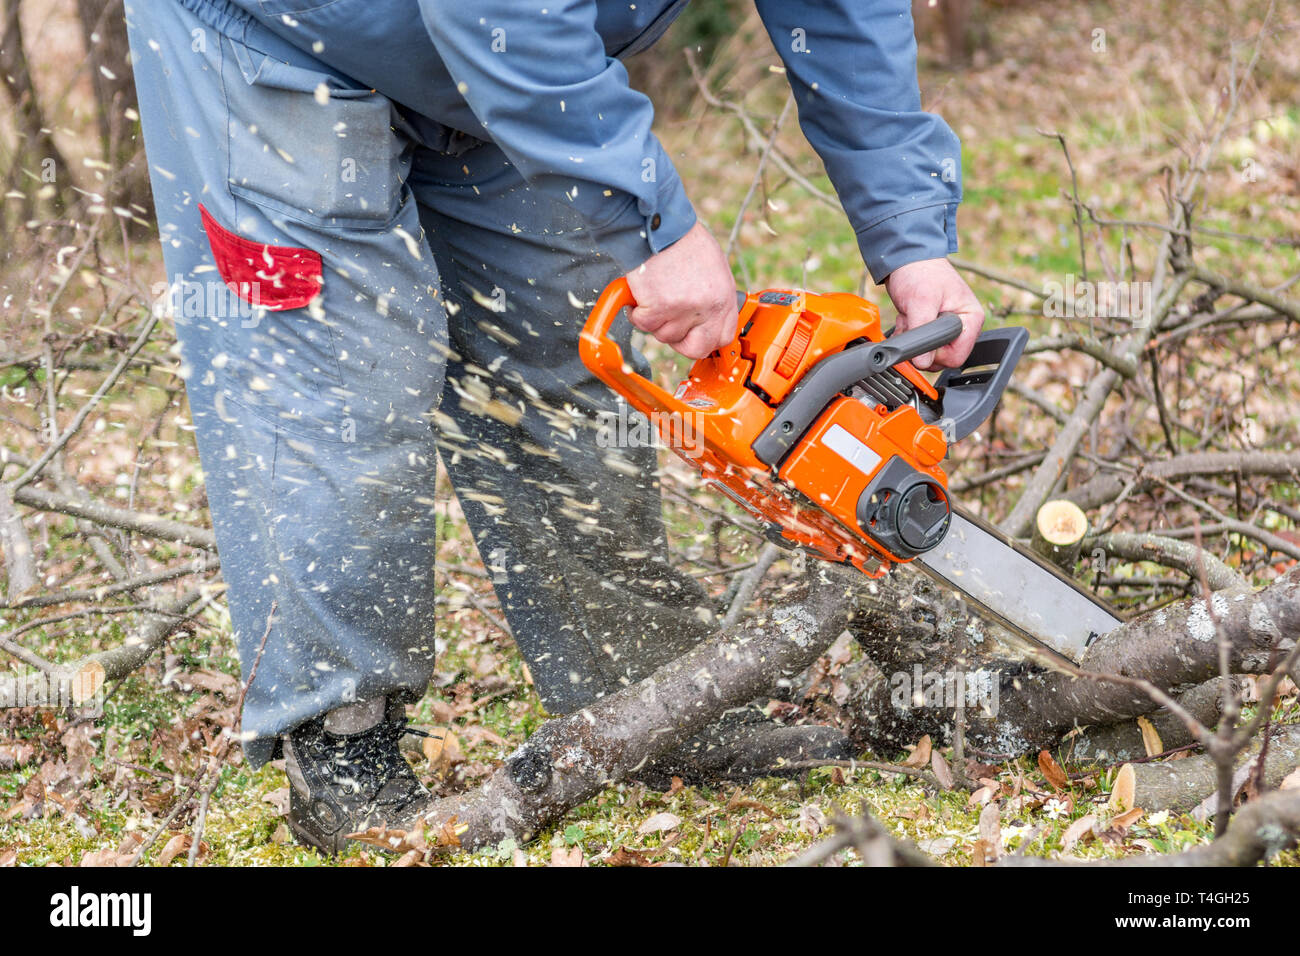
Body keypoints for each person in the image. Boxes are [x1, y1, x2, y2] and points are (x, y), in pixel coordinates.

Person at [124, 0, 985, 853]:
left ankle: (640, 697)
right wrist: (654, 220)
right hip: (283, 36)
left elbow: (839, 10)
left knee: (567, 344)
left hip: (509, 59)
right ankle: (342, 744)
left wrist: (908, 232)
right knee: (337, 383)